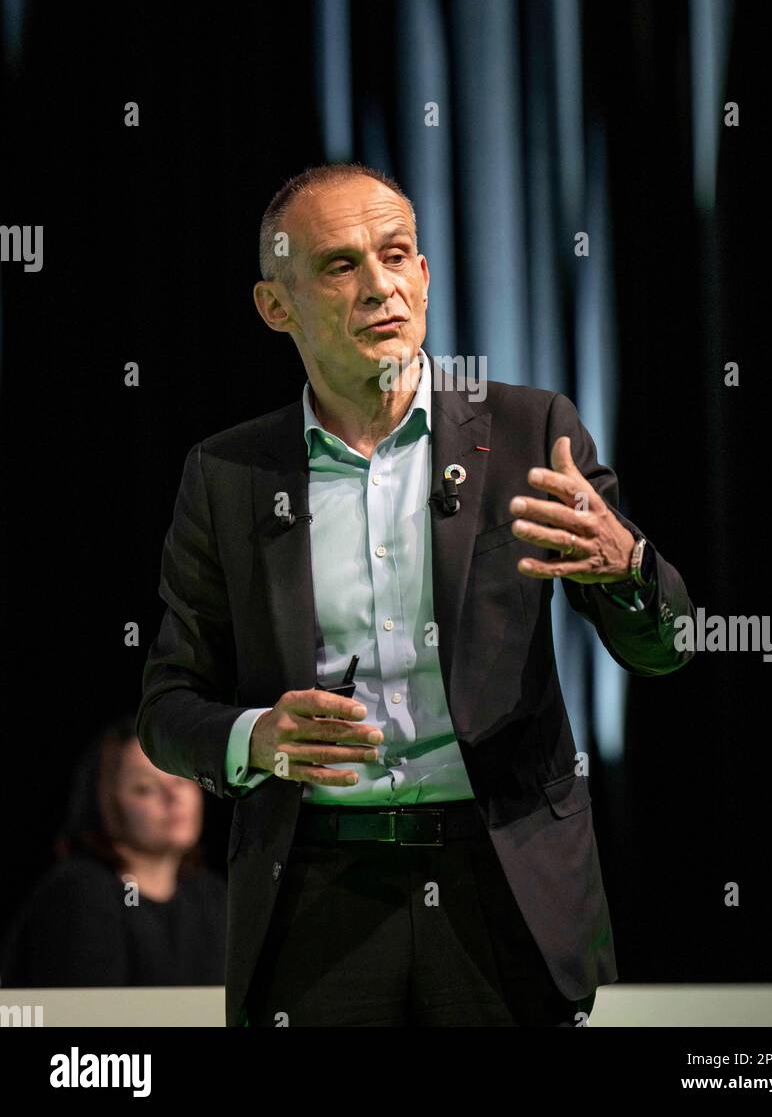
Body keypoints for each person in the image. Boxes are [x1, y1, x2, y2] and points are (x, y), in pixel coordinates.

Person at [136, 162, 696, 1027]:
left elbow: (668, 647)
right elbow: (168, 707)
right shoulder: (229, 476)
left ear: (425, 276)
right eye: (340, 265)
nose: (379, 287)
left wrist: (626, 566)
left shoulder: (529, 432)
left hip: (502, 890)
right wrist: (259, 737)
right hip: (316, 900)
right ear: (275, 306)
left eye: (396, 256)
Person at [0, 715, 226, 988]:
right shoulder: (81, 892)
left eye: (180, 779)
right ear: (107, 803)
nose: (173, 797)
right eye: (145, 788)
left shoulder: (211, 896)